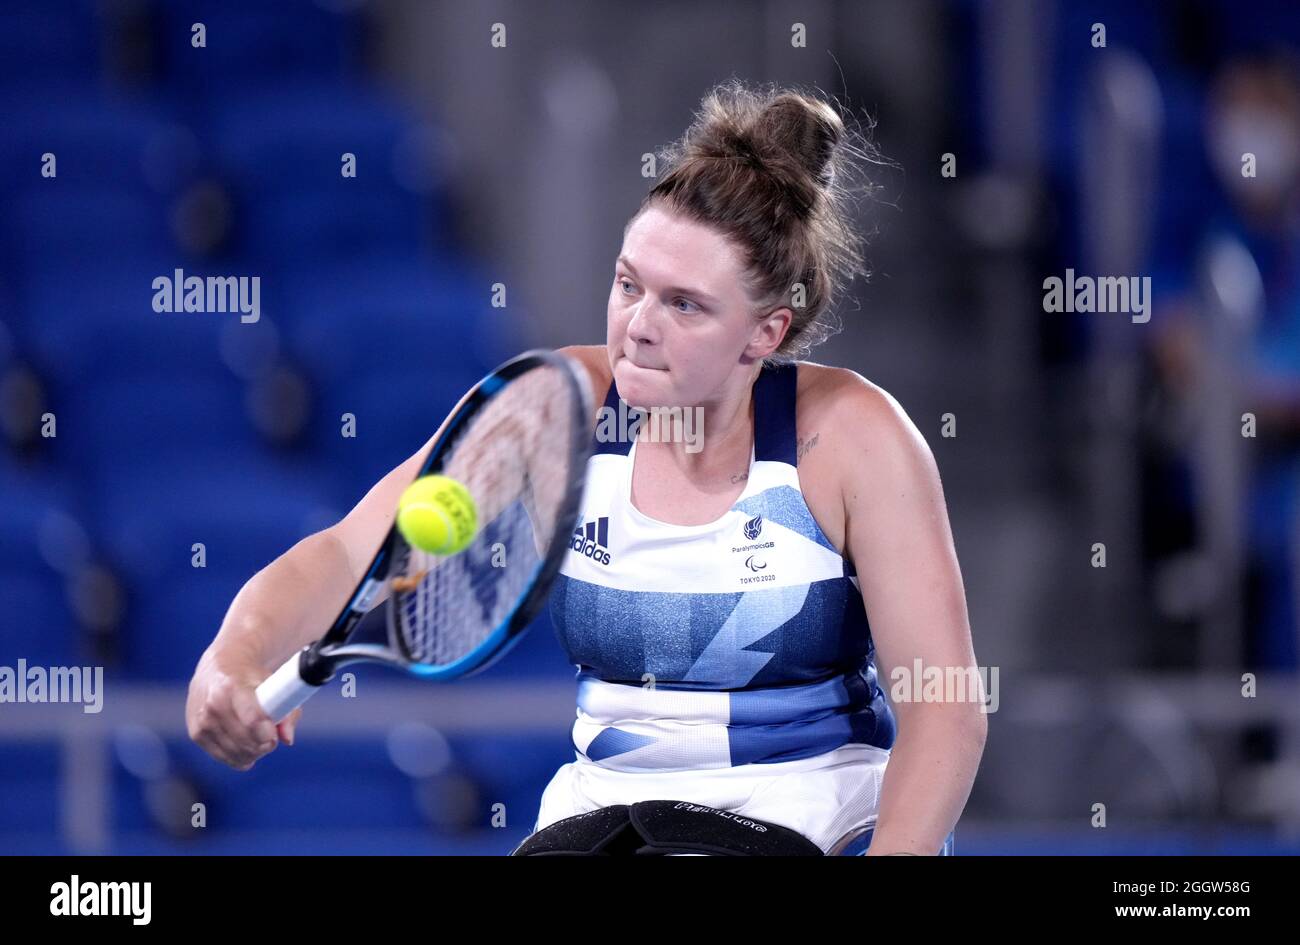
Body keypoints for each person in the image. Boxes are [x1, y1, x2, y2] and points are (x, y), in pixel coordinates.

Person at [187, 79, 985, 855]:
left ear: (765, 332)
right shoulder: (552, 408)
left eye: (684, 304)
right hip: (603, 816)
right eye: (628, 284)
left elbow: (945, 708)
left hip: (815, 813)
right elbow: (347, 552)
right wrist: (232, 658)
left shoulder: (852, 435)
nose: (638, 326)